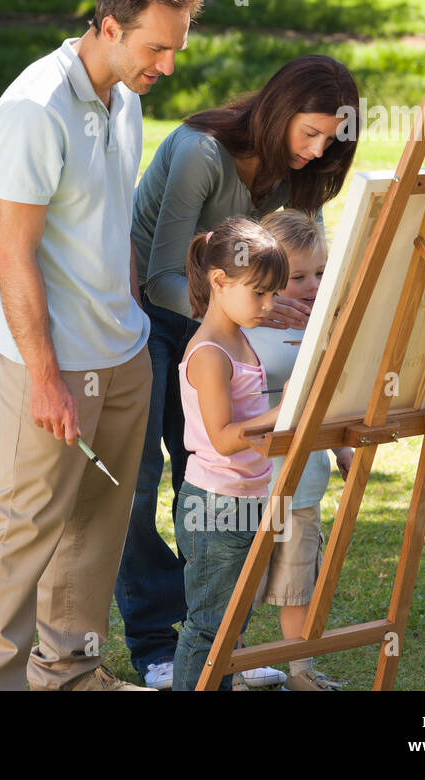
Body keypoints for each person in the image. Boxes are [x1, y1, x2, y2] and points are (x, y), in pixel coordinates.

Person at [0, 0, 203, 690]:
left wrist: (129, 295)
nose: (165, 65)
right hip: (55, 362)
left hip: (125, 352)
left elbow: (110, 215)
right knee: (22, 527)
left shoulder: (124, 96)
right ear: (106, 27)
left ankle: (69, 672)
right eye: (155, 48)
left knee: (99, 526)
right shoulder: (33, 110)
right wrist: (44, 378)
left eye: (176, 50)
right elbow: (15, 256)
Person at [115, 54, 360, 689]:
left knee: (213, 482)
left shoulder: (302, 172)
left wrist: (312, 296)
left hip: (231, 321)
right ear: (279, 110)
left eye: (331, 141)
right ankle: (155, 645)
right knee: (142, 484)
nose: (315, 151)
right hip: (156, 318)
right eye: (308, 132)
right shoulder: (202, 151)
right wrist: (240, 312)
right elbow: (160, 273)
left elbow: (309, 252)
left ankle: (222, 639)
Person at [171, 217, 288, 690]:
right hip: (215, 505)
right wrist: (284, 412)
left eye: (273, 293)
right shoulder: (210, 354)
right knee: (208, 627)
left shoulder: (240, 336)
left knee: (229, 623)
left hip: (246, 496)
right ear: (219, 281)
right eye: (259, 292)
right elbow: (222, 437)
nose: (269, 304)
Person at [245, 209, 354, 690]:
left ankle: (301, 670)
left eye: (320, 273)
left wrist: (344, 449)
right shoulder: (244, 326)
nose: (312, 285)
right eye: (298, 276)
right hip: (247, 487)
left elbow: (330, 395)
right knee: (236, 584)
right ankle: (231, 659)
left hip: (304, 483)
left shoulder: (324, 324)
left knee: (298, 583)